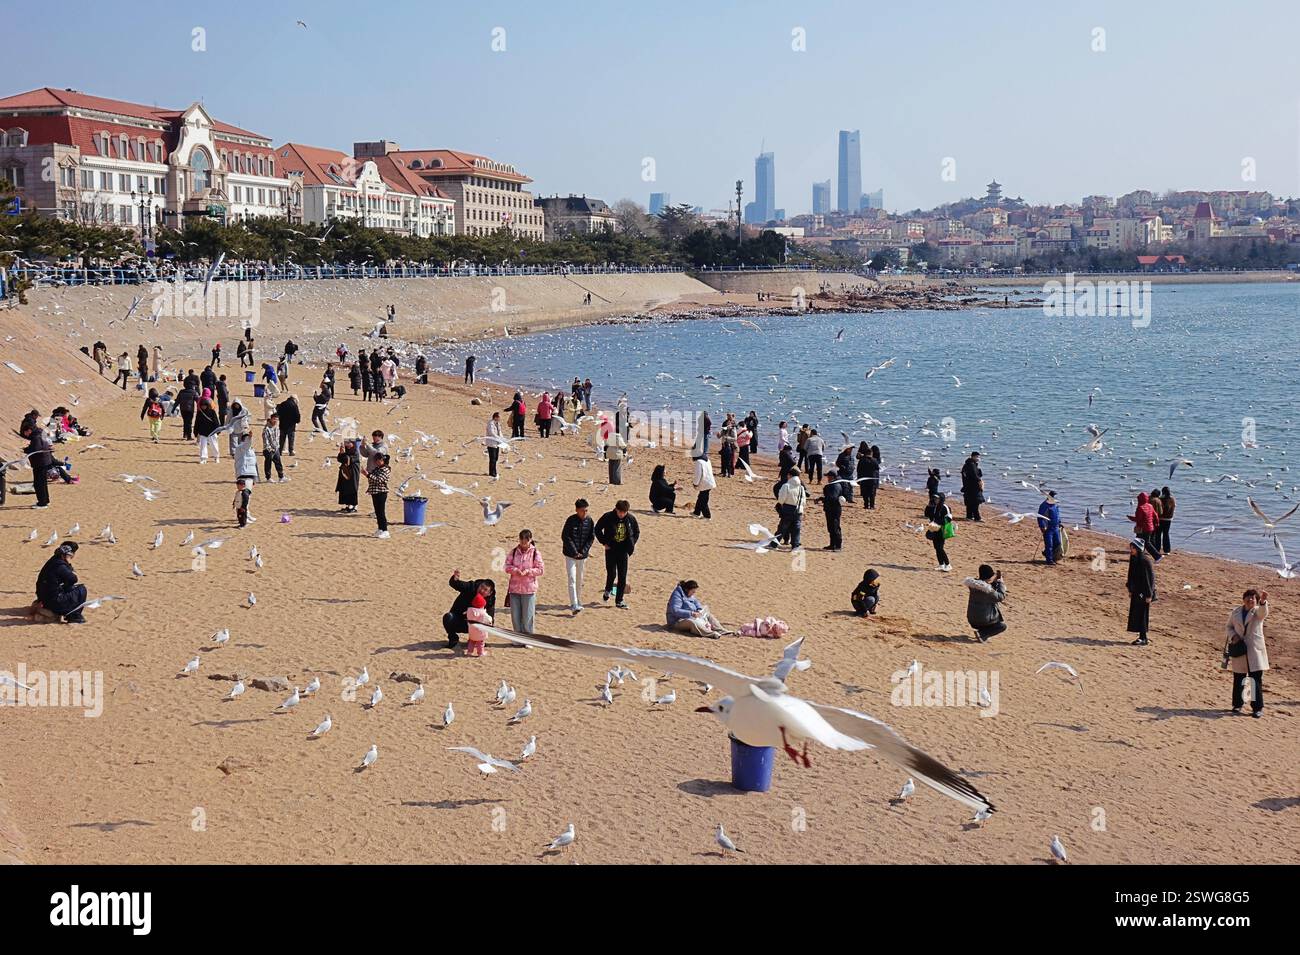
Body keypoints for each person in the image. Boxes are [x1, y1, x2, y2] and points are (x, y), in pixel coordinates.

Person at [1224, 589, 1269, 717]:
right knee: (1239, 679)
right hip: (1239, 649)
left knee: (1255, 680)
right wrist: (1233, 636)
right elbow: (1228, 627)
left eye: (1253, 598)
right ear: (1243, 599)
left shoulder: (1257, 612)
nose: (1250, 600)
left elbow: (1263, 613)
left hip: (1254, 651)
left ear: (1256, 600)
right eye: (1248, 598)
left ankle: (1257, 708)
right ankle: (1237, 705)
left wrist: (1263, 601)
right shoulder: (1236, 612)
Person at [595, 499, 639, 609]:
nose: (622, 514)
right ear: (616, 509)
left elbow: (636, 532)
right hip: (611, 549)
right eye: (620, 512)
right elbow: (597, 529)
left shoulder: (630, 519)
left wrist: (631, 544)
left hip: (624, 550)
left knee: (622, 576)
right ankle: (607, 590)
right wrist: (604, 542)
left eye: (624, 512)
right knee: (611, 573)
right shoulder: (608, 516)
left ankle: (619, 600)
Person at [504, 529, 544, 633]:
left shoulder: (535, 553)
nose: (523, 543)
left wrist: (528, 571)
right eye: (521, 541)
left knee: (528, 616)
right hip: (514, 589)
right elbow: (507, 566)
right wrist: (515, 570)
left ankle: (528, 639)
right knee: (515, 617)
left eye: (525, 541)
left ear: (530, 540)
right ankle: (517, 638)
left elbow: (540, 569)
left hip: (528, 589)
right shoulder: (513, 552)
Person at [35, 542, 87, 623]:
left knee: (70, 587)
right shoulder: (60, 565)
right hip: (52, 601)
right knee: (81, 589)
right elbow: (73, 579)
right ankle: (74, 615)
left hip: (44, 598)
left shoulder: (53, 561)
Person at [444, 571, 497, 649]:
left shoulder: (490, 600)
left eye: (485, 590)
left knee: (486, 622)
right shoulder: (471, 587)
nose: (482, 590)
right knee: (448, 617)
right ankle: (453, 639)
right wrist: (454, 579)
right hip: (459, 619)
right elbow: (456, 584)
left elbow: (490, 618)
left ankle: (477, 640)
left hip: (475, 625)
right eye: (481, 587)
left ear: (489, 593)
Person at [561, 498, 596, 613]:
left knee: (579, 578)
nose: (585, 513)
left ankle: (578, 600)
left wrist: (584, 551)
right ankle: (574, 603)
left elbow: (591, 537)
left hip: (583, 556)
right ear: (577, 510)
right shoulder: (571, 520)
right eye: (582, 510)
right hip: (570, 555)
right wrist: (575, 552)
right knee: (572, 578)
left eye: (586, 510)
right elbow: (565, 537)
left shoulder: (590, 521)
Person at [665, 580, 731, 638]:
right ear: (687, 589)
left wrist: (699, 610)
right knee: (693, 622)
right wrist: (691, 613)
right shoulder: (677, 595)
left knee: (708, 613)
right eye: (693, 591)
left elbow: (696, 602)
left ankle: (721, 630)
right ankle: (711, 634)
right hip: (677, 621)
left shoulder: (689, 594)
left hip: (691, 616)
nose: (693, 593)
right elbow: (675, 610)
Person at [1126, 537, 1156, 646]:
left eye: (1133, 548)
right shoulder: (1134, 558)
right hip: (1136, 590)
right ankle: (1140, 636)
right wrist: (1130, 588)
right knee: (1135, 613)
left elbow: (1150, 579)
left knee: (1143, 614)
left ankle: (1143, 638)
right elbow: (1130, 574)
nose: (1131, 549)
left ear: (1138, 548)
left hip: (1144, 591)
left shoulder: (1145, 561)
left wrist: (1149, 594)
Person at [965, 564, 1007, 641]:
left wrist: (992, 582)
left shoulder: (973, 586)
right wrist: (1000, 583)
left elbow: (985, 585)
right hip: (983, 621)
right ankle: (982, 634)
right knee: (1002, 626)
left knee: (989, 623)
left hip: (972, 620)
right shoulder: (988, 590)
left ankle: (981, 633)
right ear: (989, 577)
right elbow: (1001, 597)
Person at [768, 471, 807, 550]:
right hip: (798, 510)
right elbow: (804, 501)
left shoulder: (786, 486)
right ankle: (795, 546)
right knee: (796, 529)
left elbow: (781, 500)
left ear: (790, 476)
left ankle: (774, 544)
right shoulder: (801, 487)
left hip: (788, 509)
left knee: (782, 528)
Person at [21, 419, 53, 508]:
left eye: (25, 433)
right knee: (42, 482)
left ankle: (42, 503)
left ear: (29, 431)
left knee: (38, 483)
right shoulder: (39, 433)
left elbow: (36, 449)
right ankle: (46, 500)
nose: (25, 435)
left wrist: (26, 450)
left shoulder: (36, 437)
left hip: (40, 463)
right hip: (44, 461)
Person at [1126, 492, 1161, 561]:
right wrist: (1157, 523)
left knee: (1144, 543)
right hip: (1150, 528)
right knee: (1140, 543)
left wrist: (1131, 518)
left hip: (1142, 528)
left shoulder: (1140, 508)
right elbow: (1155, 515)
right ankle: (1139, 557)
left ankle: (1157, 556)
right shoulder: (1150, 506)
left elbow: (1138, 519)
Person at [925, 492, 954, 572]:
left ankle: (948, 565)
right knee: (936, 547)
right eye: (934, 498)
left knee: (940, 548)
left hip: (942, 530)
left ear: (941, 499)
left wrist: (938, 522)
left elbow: (949, 518)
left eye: (937, 498)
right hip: (934, 529)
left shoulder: (945, 507)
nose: (935, 499)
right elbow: (927, 515)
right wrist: (928, 506)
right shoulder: (933, 506)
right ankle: (941, 565)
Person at [365, 452, 391, 538]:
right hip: (375, 492)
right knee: (377, 512)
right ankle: (380, 529)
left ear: (382, 460)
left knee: (381, 512)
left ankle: (385, 530)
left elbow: (379, 480)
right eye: (375, 460)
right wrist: (368, 475)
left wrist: (368, 475)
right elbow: (372, 479)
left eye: (378, 460)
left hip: (381, 492)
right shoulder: (377, 468)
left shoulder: (386, 469)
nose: (376, 462)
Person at [821, 468, 846, 550]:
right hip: (831, 508)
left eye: (828, 476)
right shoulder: (834, 485)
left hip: (834, 509)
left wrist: (822, 499)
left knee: (835, 527)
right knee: (831, 527)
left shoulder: (835, 486)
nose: (827, 478)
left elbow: (832, 498)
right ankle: (832, 544)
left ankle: (838, 546)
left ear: (832, 477)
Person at [335, 439, 361, 512]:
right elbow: (340, 459)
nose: (347, 444)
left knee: (352, 488)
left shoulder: (355, 451)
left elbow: (349, 460)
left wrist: (343, 454)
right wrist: (341, 453)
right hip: (345, 472)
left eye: (349, 443)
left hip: (353, 472)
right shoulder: (346, 450)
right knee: (344, 487)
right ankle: (347, 505)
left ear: (352, 443)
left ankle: (353, 506)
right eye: (346, 443)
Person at [1037, 490, 1062, 565]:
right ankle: (1049, 560)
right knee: (1049, 544)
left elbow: (1057, 514)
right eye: (1052, 496)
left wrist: (1059, 522)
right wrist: (1042, 526)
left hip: (1056, 527)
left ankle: (1048, 554)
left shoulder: (1055, 504)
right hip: (1048, 528)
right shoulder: (1044, 505)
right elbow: (1040, 517)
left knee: (1057, 543)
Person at [195, 397, 221, 464]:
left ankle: (216, 457)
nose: (203, 407)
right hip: (203, 432)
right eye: (202, 405)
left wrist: (218, 430)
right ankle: (203, 458)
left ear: (207, 405)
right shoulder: (199, 413)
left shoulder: (212, 412)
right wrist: (195, 431)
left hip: (212, 432)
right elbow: (197, 423)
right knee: (203, 446)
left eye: (205, 405)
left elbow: (216, 422)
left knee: (214, 445)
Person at [691, 450, 716, 519]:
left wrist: (695, 483)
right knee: (701, 497)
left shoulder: (698, 462)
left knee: (703, 500)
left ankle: (707, 516)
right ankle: (696, 512)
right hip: (709, 482)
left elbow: (698, 474)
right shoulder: (707, 460)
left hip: (704, 483)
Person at [961, 451, 984, 521]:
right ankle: (977, 518)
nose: (978, 458)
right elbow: (974, 475)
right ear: (973, 456)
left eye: (978, 457)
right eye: (977, 457)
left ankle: (969, 516)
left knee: (970, 502)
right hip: (973, 487)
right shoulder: (971, 465)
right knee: (975, 502)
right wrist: (980, 481)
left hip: (967, 486)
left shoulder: (967, 464)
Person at [263, 414, 285, 482]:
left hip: (276, 449)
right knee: (268, 464)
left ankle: (281, 477)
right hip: (268, 450)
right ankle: (268, 478)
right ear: (271, 419)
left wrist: (277, 447)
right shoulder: (266, 429)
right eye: (274, 419)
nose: (275, 421)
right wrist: (270, 449)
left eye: (277, 419)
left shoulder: (277, 427)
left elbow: (277, 439)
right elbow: (265, 440)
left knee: (278, 463)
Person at [856, 442, 879, 509]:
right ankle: (872, 506)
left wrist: (859, 478)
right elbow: (877, 468)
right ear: (871, 453)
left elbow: (858, 469)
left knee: (865, 493)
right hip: (872, 479)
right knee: (872, 493)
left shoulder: (862, 460)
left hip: (864, 479)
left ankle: (866, 505)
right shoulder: (874, 460)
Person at [485, 412, 504, 478]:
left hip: (497, 443)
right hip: (491, 443)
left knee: (496, 458)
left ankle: (494, 471)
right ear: (495, 417)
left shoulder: (498, 423)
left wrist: (502, 438)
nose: (500, 419)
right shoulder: (490, 423)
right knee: (492, 458)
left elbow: (500, 432)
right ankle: (492, 472)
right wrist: (498, 438)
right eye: (499, 417)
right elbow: (491, 432)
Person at [1158, 486, 1176, 555]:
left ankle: (1157, 548)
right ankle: (1167, 550)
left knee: (1158, 534)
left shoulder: (1161, 499)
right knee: (1166, 534)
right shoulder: (1172, 499)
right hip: (1169, 519)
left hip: (1161, 518)